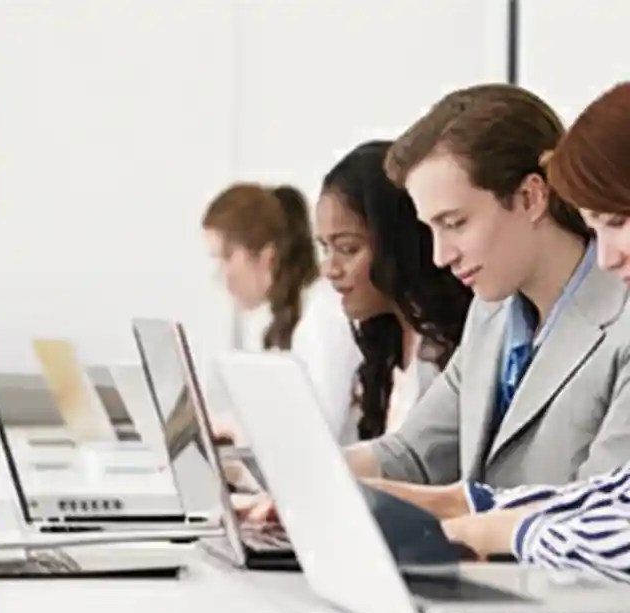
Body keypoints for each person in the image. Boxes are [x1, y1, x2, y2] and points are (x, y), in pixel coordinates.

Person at [236, 85, 630, 533]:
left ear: (530, 198)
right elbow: (414, 455)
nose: (441, 256)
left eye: (455, 223)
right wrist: (289, 480)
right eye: (431, 230)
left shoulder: (620, 324)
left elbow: (592, 520)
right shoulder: (492, 315)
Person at [440, 82, 630, 578]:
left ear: (530, 198)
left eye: (618, 221)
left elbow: (615, 534)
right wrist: (462, 511)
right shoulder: (490, 319)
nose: (609, 258)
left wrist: (507, 532)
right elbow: (613, 496)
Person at [316, 140, 473, 439]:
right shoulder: (385, 344)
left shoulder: (455, 350)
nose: (330, 269)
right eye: (325, 248)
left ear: (397, 242)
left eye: (347, 248)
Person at [203, 183, 361, 442]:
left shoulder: (323, 318)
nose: (221, 275)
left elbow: (314, 434)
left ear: (266, 256)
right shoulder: (278, 320)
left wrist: (232, 431)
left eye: (225, 259)